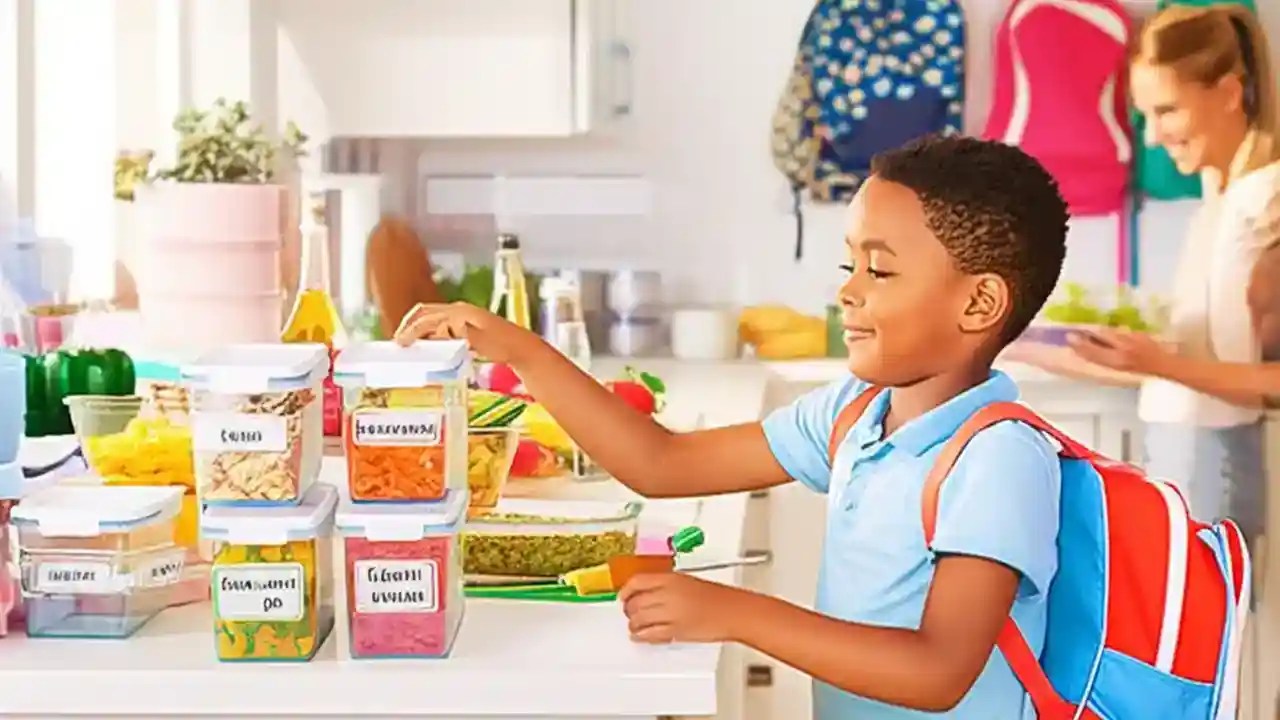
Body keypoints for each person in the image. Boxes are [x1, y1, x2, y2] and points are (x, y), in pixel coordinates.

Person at [395, 135, 1071, 719]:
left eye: (881, 270)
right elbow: (663, 464)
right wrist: (522, 350)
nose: (848, 291)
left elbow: (937, 672)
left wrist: (735, 613)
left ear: (979, 302)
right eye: (850, 265)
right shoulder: (854, 412)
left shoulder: (997, 457)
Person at [1046, 4, 1278, 544]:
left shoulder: (1266, 203)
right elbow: (1202, 364)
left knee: (1210, 627)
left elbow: (1270, 380)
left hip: (1214, 462)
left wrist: (1158, 362)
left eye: (1167, 111)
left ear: (1227, 92)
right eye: (1144, 115)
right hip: (1183, 454)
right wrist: (1046, 352)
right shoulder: (1220, 199)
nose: (1150, 138)